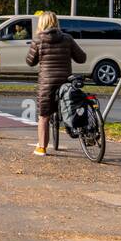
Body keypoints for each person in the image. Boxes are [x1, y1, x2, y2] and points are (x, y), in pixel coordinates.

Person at [25, 10, 87, 156]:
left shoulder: (38, 40)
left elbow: (30, 62)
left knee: (44, 116)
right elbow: (81, 58)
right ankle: (84, 133)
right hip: (65, 80)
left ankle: (42, 147)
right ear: (56, 22)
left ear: (41, 24)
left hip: (46, 83)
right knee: (71, 105)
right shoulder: (67, 39)